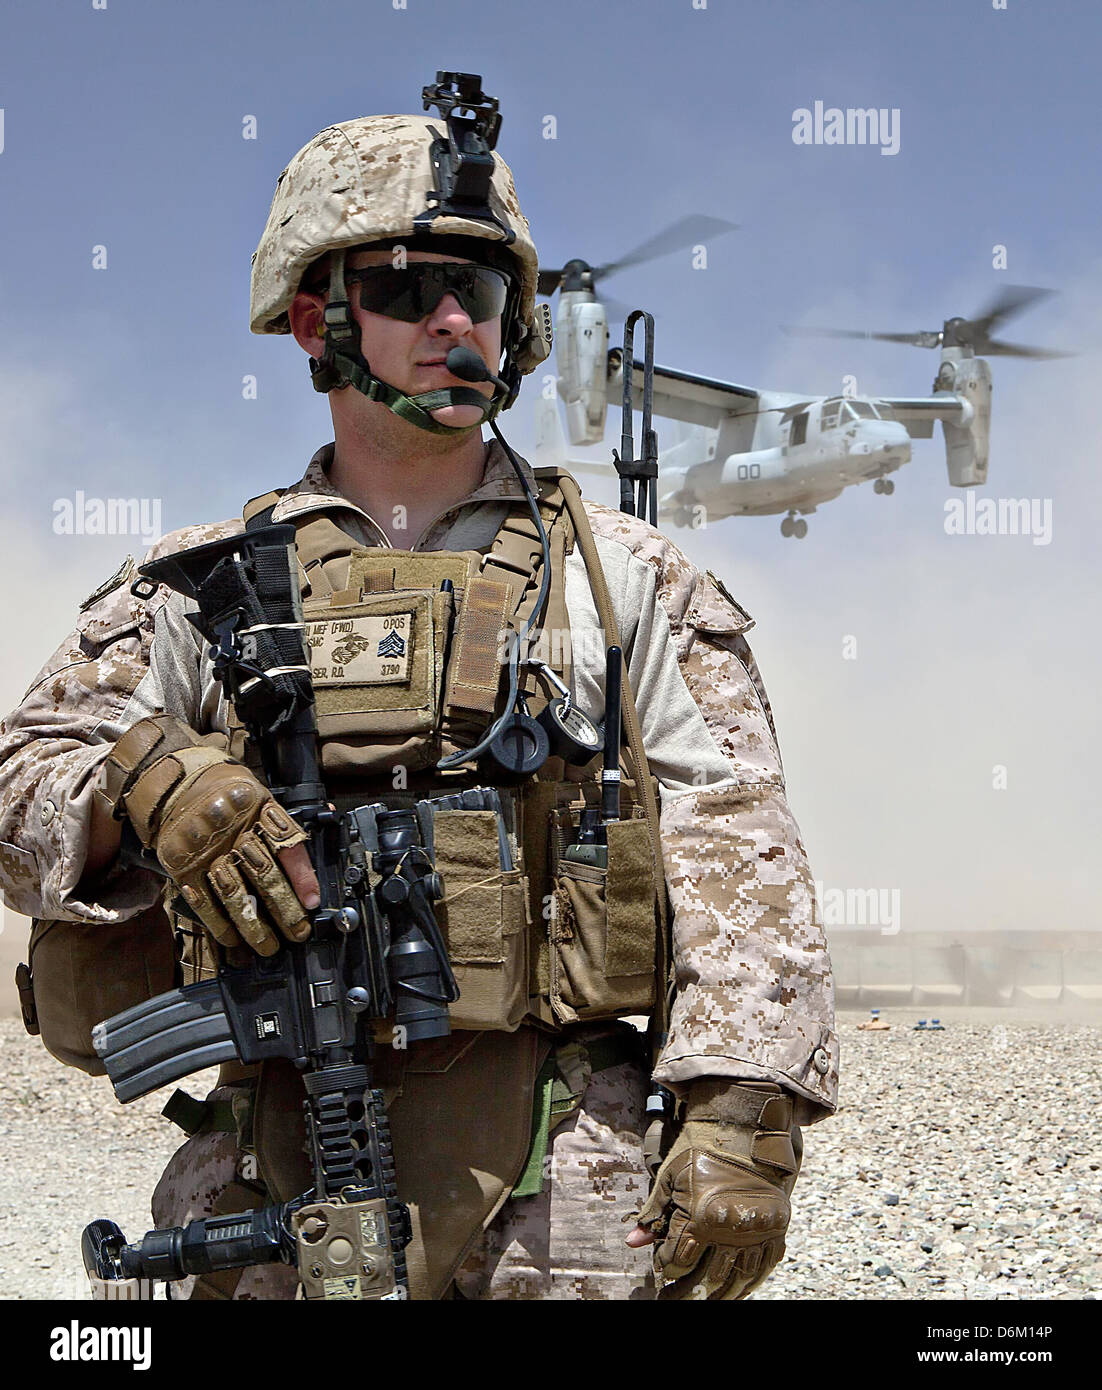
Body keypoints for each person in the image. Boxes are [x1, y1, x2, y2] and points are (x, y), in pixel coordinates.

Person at [0, 88, 838, 1301]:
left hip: (569, 1184)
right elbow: (21, 784)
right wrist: (145, 779)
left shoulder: (622, 579)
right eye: (404, 289)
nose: (453, 321)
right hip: (268, 1172)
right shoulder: (199, 588)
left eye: (481, 293)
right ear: (312, 320)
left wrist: (742, 1115)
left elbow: (736, 840)